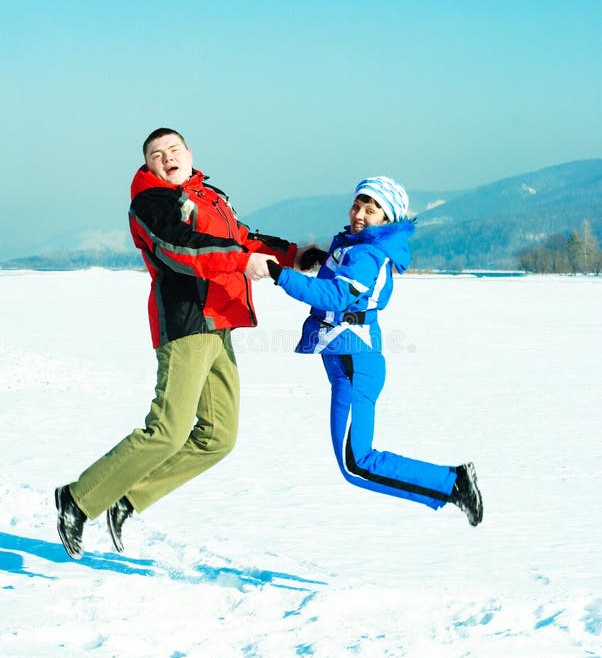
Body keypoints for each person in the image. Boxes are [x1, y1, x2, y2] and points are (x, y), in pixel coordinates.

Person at [55, 128, 302, 559]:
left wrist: (297, 256)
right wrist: (243, 262)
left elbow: (241, 237)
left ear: (189, 153)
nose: (167, 158)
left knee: (218, 438)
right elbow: (179, 249)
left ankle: (126, 499)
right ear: (148, 165)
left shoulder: (208, 196)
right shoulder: (151, 203)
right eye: (156, 155)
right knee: (167, 430)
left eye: (173, 150)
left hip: (219, 324)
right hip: (186, 324)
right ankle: (77, 499)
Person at [266, 176, 483, 526]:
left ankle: (452, 483)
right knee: (356, 460)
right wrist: (319, 258)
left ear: (387, 218)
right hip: (350, 363)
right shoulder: (356, 248)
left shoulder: (367, 253)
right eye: (357, 205)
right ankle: (451, 483)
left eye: (371, 209)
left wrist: (280, 276)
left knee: (357, 461)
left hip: (356, 365)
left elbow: (338, 296)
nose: (360, 214)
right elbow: (339, 278)